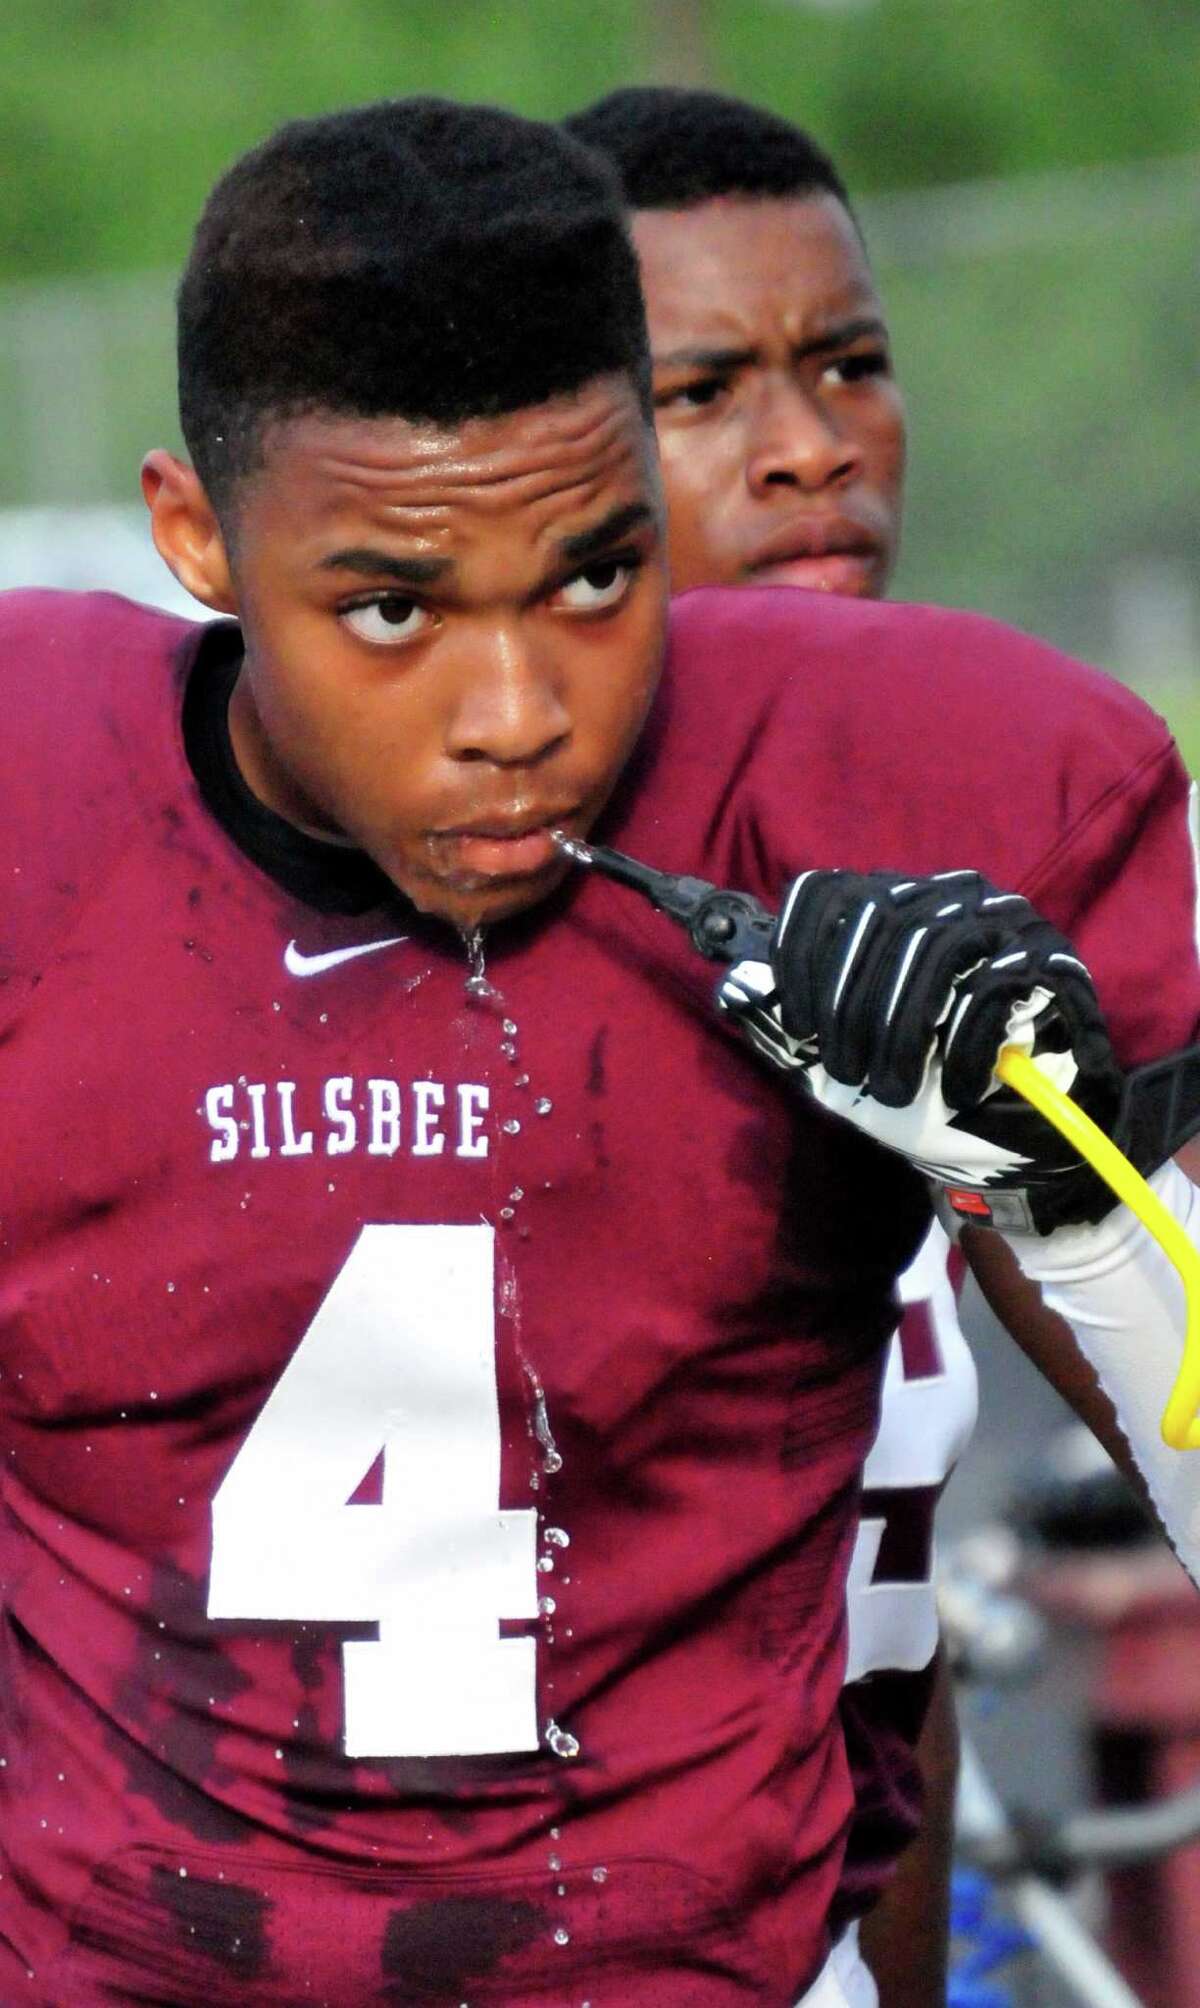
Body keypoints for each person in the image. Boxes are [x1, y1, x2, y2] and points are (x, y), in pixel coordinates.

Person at [3, 97, 1200, 2008]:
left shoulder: (886, 785)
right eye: (391, 606)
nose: (515, 713)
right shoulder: (38, 809)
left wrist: (1076, 1206)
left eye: (590, 576)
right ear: (196, 537)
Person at [562, 84, 971, 2007]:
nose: (815, 449)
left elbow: (884, 1651)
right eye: (706, 390)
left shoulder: (964, 869)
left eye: (851, 366)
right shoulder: (496, 930)